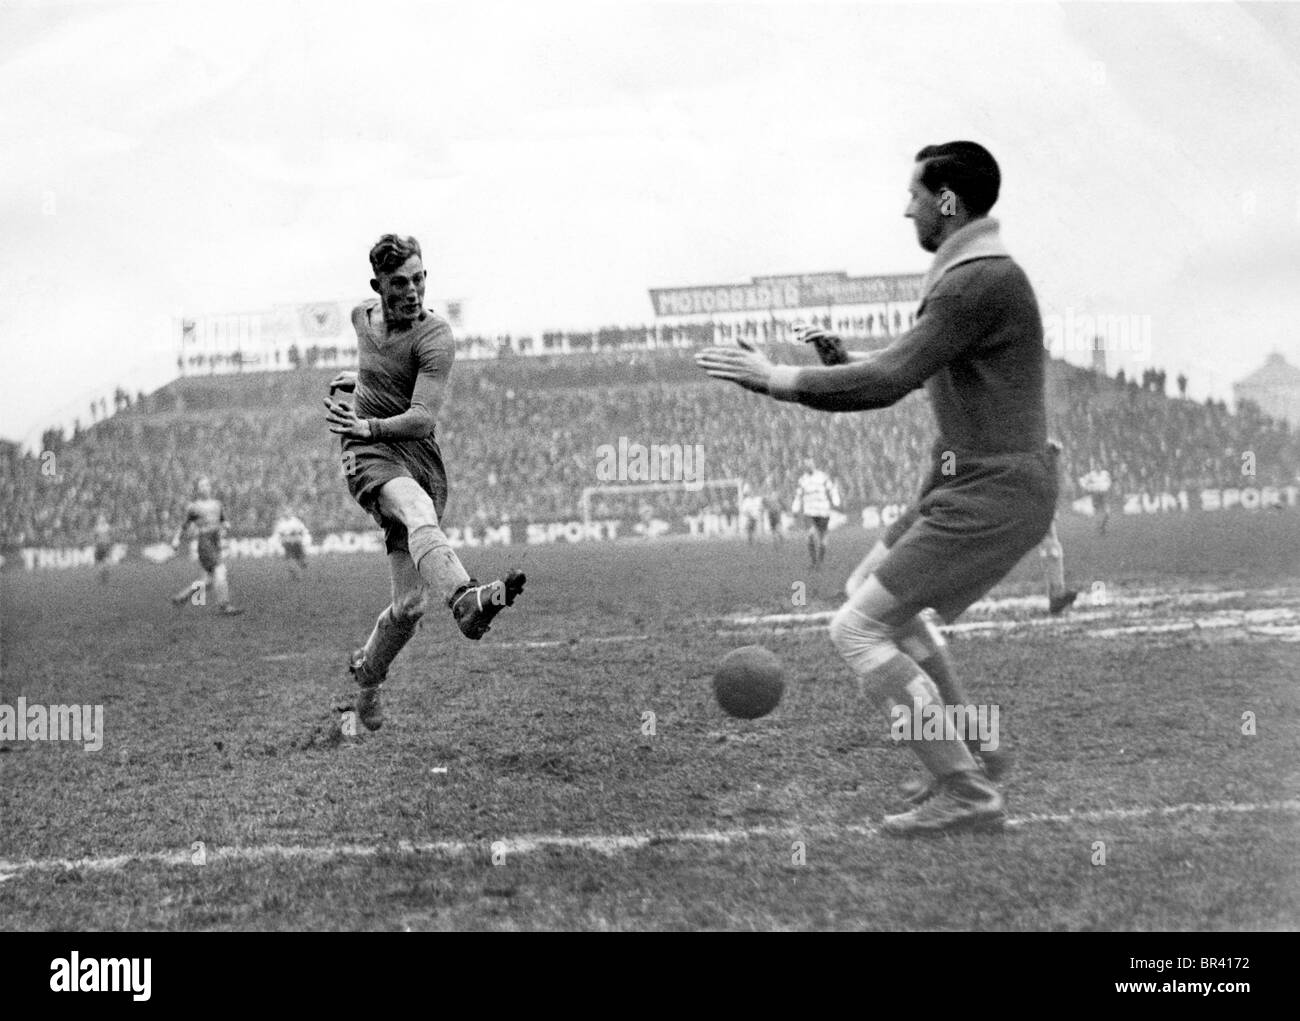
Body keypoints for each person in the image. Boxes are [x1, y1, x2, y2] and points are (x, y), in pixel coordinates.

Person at [698, 141, 1057, 836]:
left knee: (857, 628)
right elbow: (905, 368)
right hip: (971, 481)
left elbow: (891, 380)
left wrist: (772, 377)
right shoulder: (973, 274)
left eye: (915, 195)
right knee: (869, 590)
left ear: (946, 201)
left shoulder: (975, 280)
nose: (906, 208)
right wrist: (847, 363)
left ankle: (966, 788)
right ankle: (974, 749)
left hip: (993, 488)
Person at [324, 234, 526, 732]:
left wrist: (367, 398)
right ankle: (463, 597)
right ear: (378, 287)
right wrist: (363, 395)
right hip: (368, 451)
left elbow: (419, 418)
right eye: (399, 283)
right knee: (416, 510)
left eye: (419, 278)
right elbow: (377, 366)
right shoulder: (360, 318)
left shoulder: (436, 337)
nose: (412, 291)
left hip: (416, 451)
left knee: (410, 606)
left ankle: (367, 676)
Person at [170, 476, 244, 615]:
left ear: (210, 487)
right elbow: (183, 525)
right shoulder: (193, 507)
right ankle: (224, 606)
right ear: (198, 489)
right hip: (205, 542)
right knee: (221, 571)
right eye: (202, 486)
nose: (205, 487)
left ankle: (182, 597)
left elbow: (223, 520)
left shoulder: (217, 504)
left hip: (216, 542)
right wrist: (176, 539)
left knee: (209, 581)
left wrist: (226, 526)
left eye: (207, 485)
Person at [792, 458, 841, 569]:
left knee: (823, 536)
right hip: (809, 511)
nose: (809, 467)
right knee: (810, 535)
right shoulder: (802, 480)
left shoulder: (822, 476)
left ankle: (819, 561)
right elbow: (798, 495)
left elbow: (832, 489)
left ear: (814, 465)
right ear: (804, 466)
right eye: (806, 465)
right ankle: (814, 561)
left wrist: (836, 499)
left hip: (823, 510)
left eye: (810, 464)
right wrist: (795, 508)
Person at [272, 507, 312, 580]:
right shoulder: (280, 523)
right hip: (287, 545)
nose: (287, 513)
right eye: (286, 512)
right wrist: (277, 546)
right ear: (284, 513)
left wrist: (305, 542)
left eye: (289, 512)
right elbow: (276, 535)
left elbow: (304, 531)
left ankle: (301, 566)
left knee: (302, 563)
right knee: (289, 561)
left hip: (297, 544)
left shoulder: (296, 521)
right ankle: (295, 574)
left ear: (291, 513)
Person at [1078, 463, 1112, 535]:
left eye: (1099, 466)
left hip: (1104, 495)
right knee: (1097, 512)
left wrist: (1107, 487)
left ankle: (1102, 526)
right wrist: (1088, 488)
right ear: (1095, 468)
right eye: (1097, 467)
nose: (1098, 468)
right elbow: (1083, 481)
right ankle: (1100, 528)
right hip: (1096, 495)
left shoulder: (1105, 473)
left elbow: (1109, 482)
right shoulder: (1091, 475)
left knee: (1107, 513)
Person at [92, 514, 113, 585]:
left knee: (99, 562)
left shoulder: (97, 527)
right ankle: (105, 575)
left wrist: (95, 545)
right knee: (106, 562)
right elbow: (110, 536)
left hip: (99, 546)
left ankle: (101, 576)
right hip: (105, 546)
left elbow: (94, 537)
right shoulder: (107, 526)